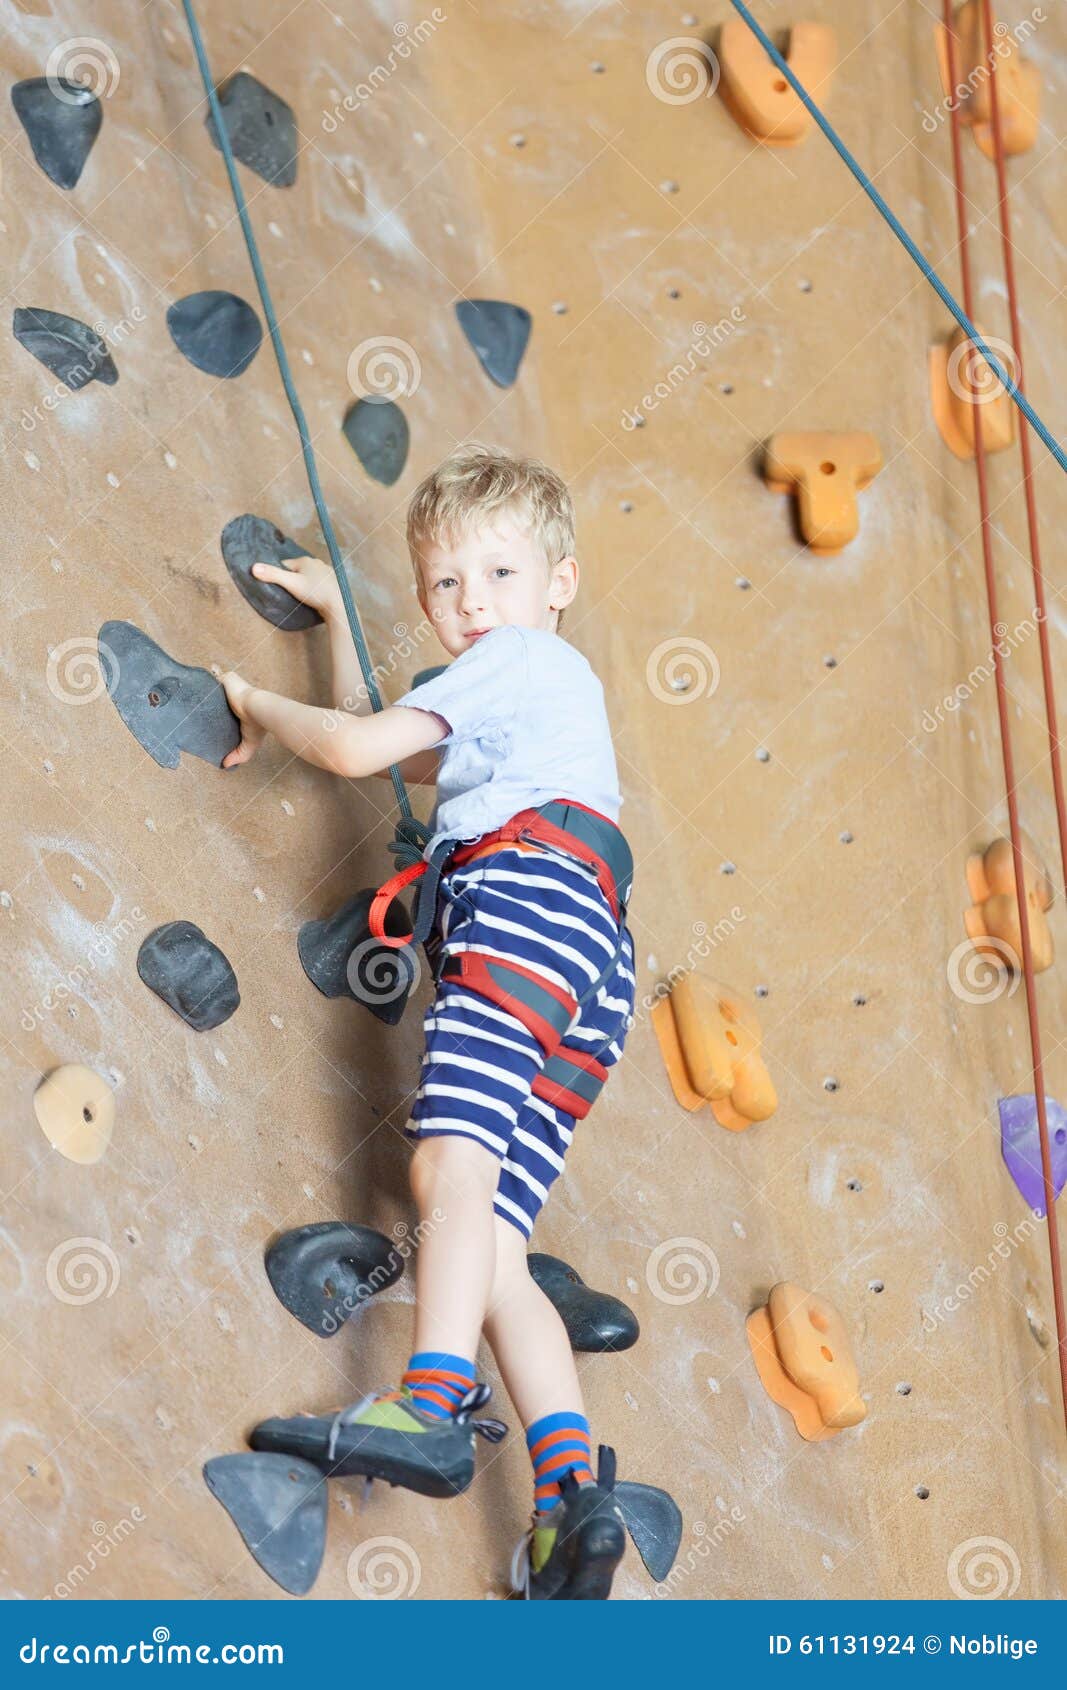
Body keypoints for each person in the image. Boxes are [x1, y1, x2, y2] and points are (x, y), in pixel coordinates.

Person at [220, 443, 637, 1599]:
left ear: (559, 581)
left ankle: (429, 1402)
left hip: (524, 902)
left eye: (499, 576)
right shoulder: (520, 697)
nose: (471, 607)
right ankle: (569, 1505)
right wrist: (332, 623)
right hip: (589, 961)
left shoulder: (514, 662)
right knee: (491, 1242)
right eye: (446, 585)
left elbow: (352, 749)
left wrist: (254, 699)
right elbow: (382, 729)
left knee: (445, 1166)